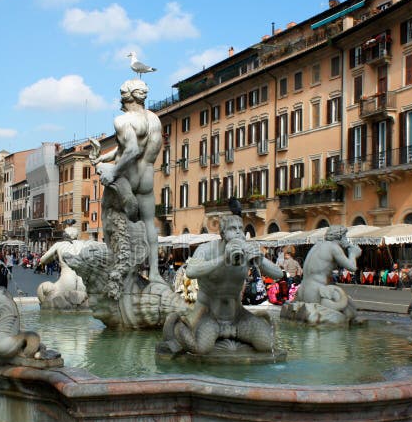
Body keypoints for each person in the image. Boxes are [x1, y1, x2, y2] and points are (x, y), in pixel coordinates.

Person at [158, 214, 283, 355]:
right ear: (222, 233)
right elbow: (191, 271)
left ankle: (243, 329)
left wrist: (259, 260)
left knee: (267, 344)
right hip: (208, 314)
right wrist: (224, 258)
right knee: (201, 349)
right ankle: (179, 325)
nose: (237, 232)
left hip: (237, 316)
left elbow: (278, 274)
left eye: (240, 228)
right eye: (232, 228)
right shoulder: (207, 250)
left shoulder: (247, 251)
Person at [90, 78, 164, 283]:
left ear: (125, 96)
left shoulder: (122, 120)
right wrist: (106, 157)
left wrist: (112, 172)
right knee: (149, 223)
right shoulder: (154, 119)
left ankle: (115, 261)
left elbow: (130, 149)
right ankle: (155, 273)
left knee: (107, 211)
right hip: (147, 177)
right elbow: (132, 148)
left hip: (128, 176)